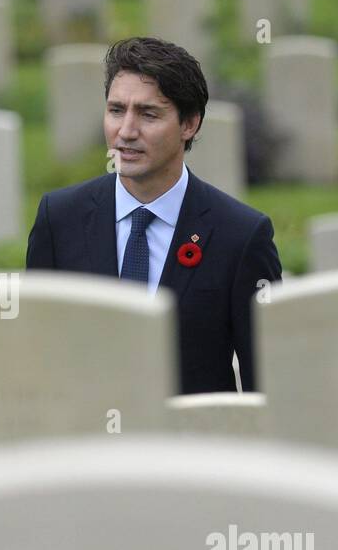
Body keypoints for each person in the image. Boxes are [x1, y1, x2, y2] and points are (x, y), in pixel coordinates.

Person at [26, 36, 282, 393]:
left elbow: (267, 381)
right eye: (116, 110)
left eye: (148, 114)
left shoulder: (240, 235)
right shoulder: (59, 219)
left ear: (189, 124)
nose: (126, 132)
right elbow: (38, 359)